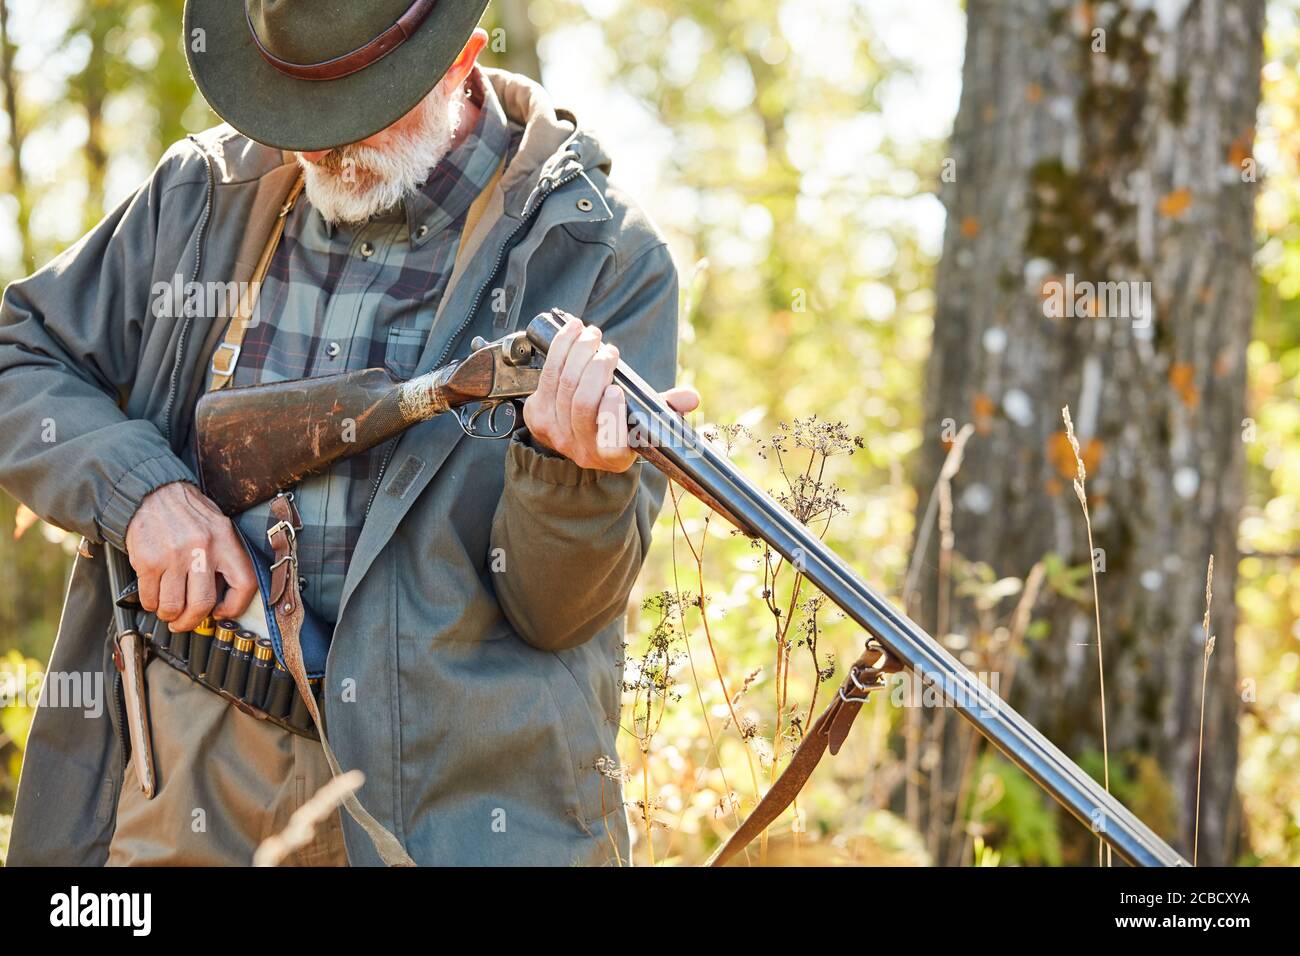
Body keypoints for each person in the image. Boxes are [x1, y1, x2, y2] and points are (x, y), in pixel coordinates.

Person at [0, 0, 694, 866]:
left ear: (461, 61)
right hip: (192, 784)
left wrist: (576, 478)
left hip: (457, 808)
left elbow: (556, 618)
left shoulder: (605, 255)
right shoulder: (201, 197)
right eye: (297, 108)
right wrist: (142, 493)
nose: (321, 146)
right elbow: (19, 358)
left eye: (358, 109)